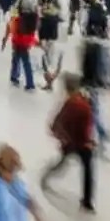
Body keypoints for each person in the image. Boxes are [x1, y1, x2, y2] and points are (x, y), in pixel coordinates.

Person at [40, 73, 95, 212]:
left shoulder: (71, 103)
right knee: (87, 171)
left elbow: (56, 123)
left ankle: (46, 175)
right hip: (81, 143)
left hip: (71, 142)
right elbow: (85, 126)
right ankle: (87, 202)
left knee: (63, 163)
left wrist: (61, 137)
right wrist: (88, 141)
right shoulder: (81, 104)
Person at [2, 1, 38, 91]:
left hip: (17, 40)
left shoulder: (15, 12)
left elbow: (10, 25)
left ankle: (18, 79)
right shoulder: (32, 14)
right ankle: (28, 82)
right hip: (26, 41)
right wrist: (31, 42)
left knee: (17, 60)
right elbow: (34, 29)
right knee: (25, 62)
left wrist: (5, 40)